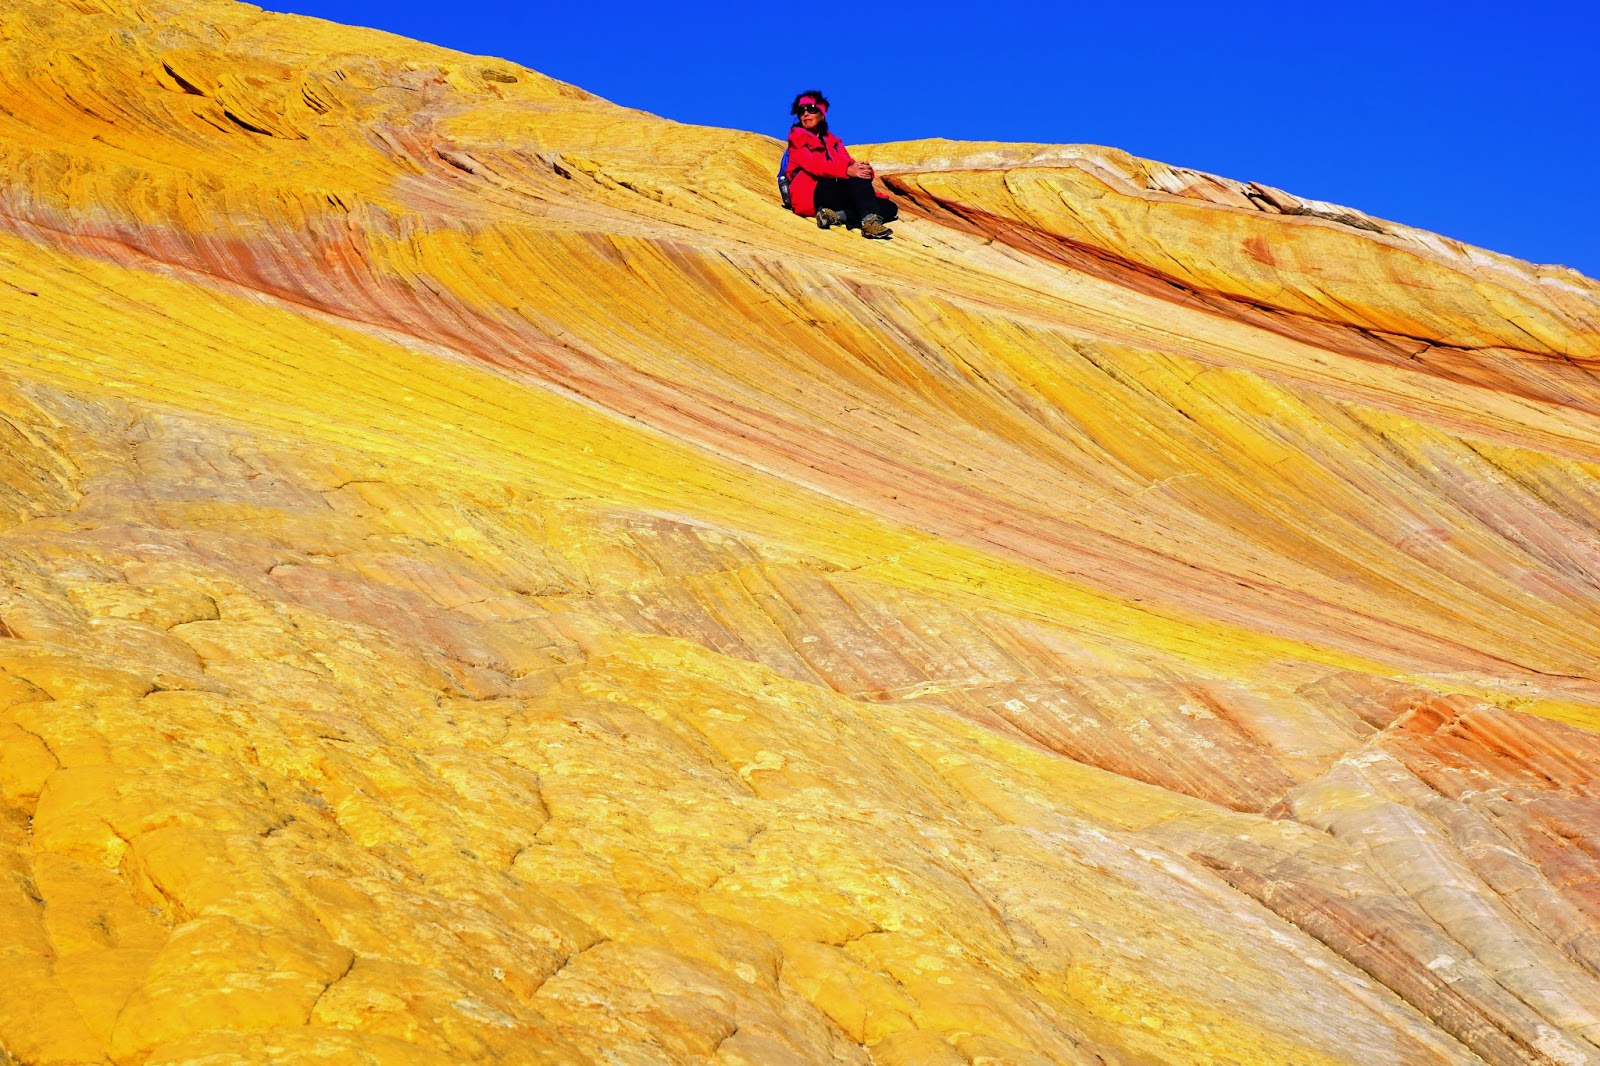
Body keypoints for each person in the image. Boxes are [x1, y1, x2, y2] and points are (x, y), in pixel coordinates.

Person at [784, 91, 898, 239]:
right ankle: (869, 224)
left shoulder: (832, 141)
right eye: (801, 110)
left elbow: (849, 163)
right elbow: (814, 165)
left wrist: (866, 171)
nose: (806, 113)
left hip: (835, 192)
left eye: (811, 108)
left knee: (889, 207)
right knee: (856, 181)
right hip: (812, 191)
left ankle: (836, 216)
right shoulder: (796, 139)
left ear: (822, 114)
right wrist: (848, 170)